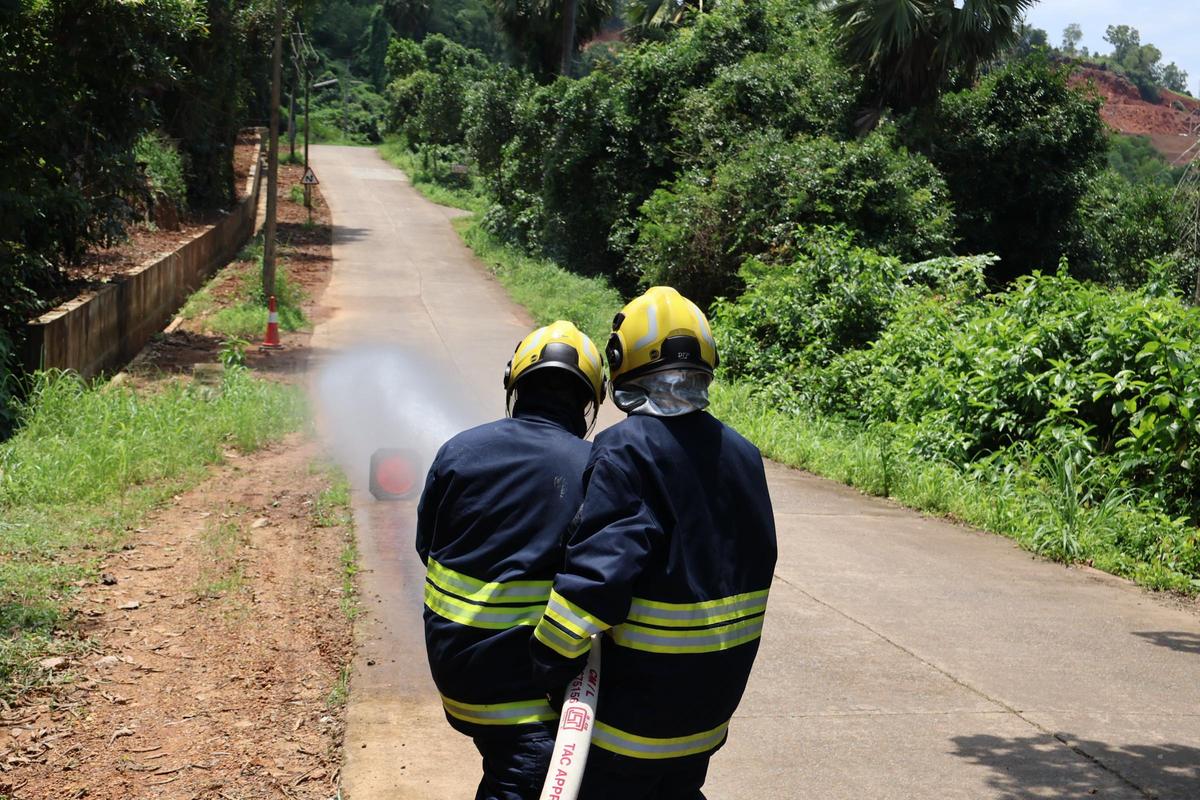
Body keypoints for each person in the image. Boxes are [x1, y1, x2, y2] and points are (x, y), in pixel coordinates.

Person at [531, 287, 778, 799]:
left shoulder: (626, 449)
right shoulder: (744, 455)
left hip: (634, 717)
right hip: (709, 711)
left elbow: (600, 577)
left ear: (621, 361)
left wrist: (547, 659)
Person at [416, 320, 606, 800]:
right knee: (527, 772)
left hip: (454, 672)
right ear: (588, 404)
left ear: (514, 386)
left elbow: (426, 546)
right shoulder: (592, 467)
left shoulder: (457, 450)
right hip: (522, 693)